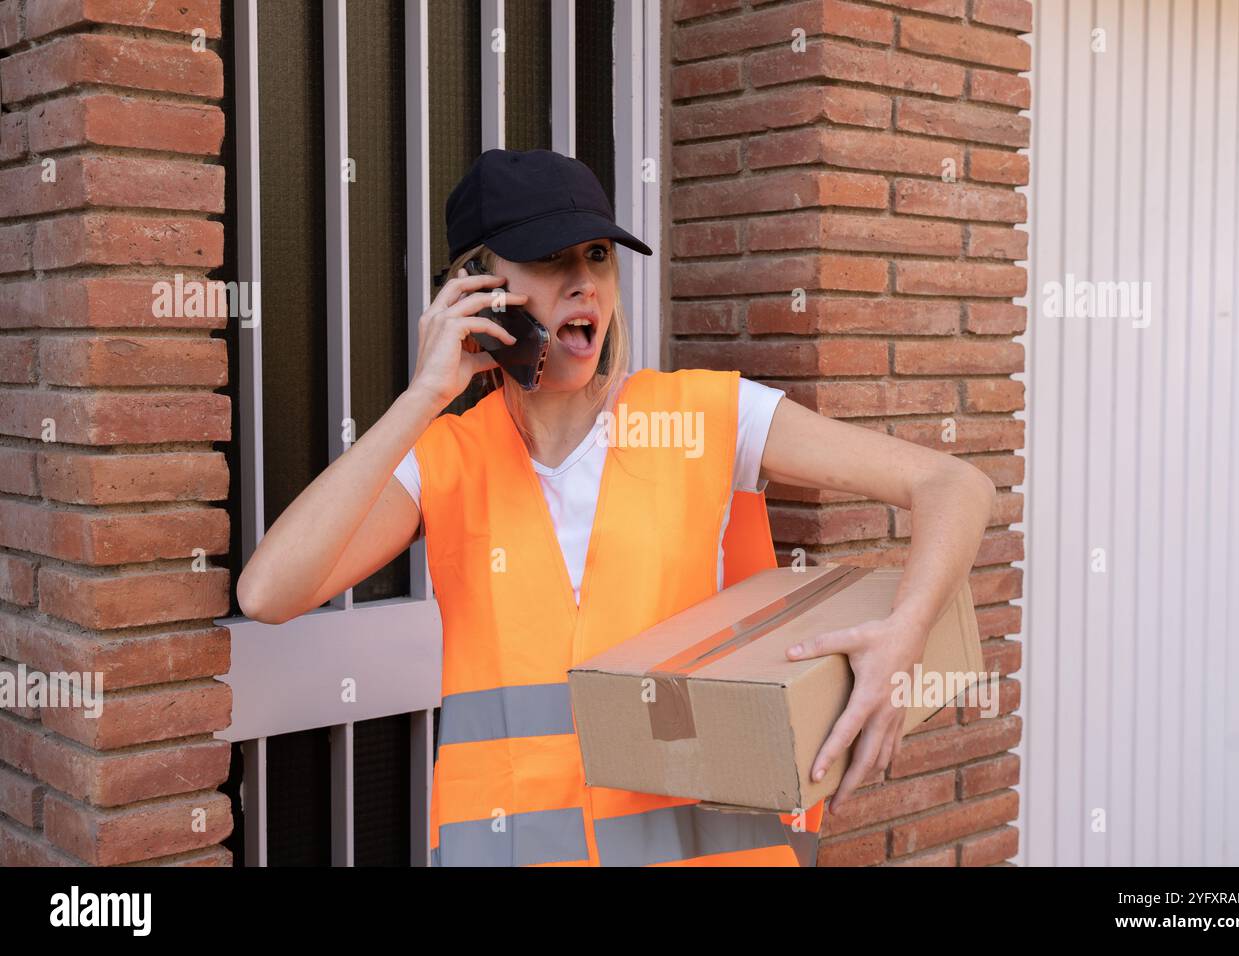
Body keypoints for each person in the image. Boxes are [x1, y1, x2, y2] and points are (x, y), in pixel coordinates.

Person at [237, 148, 996, 867]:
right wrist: (423, 398)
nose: (584, 284)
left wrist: (903, 639)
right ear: (475, 286)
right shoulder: (445, 457)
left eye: (597, 255)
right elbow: (269, 593)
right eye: (547, 258)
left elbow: (953, 486)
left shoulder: (706, 416)